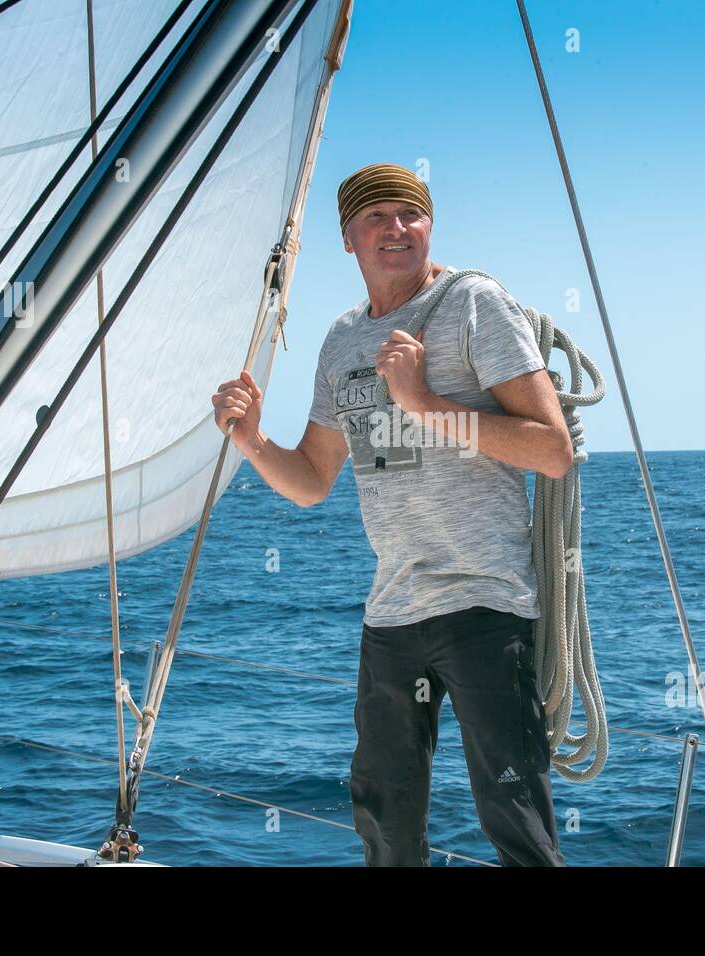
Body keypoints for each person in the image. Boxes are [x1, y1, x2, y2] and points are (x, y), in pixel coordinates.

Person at [212, 162, 571, 866]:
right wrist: (252, 441)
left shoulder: (473, 305)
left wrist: (427, 406)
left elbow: (552, 450)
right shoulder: (342, 341)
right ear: (348, 237)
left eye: (410, 214)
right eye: (376, 217)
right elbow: (314, 478)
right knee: (382, 814)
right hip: (394, 613)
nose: (396, 229)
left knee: (515, 818)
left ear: (429, 225)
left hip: (484, 605)